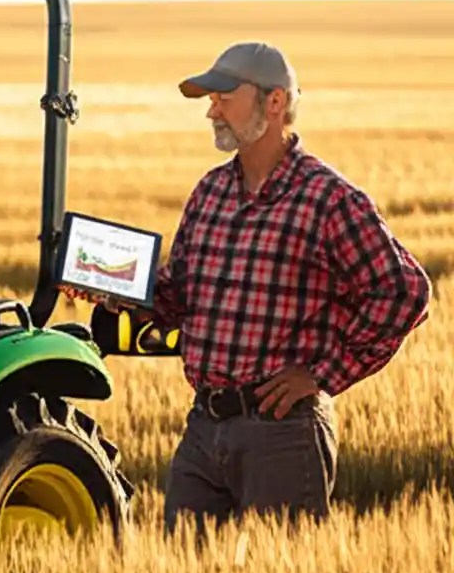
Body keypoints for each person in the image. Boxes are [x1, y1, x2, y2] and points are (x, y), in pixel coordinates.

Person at [73, 41, 432, 534]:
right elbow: (179, 296)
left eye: (223, 96)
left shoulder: (326, 199)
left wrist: (323, 374)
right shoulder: (210, 192)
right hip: (203, 427)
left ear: (275, 102)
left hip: (283, 435)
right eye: (210, 99)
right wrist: (114, 286)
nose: (211, 109)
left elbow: (405, 291)